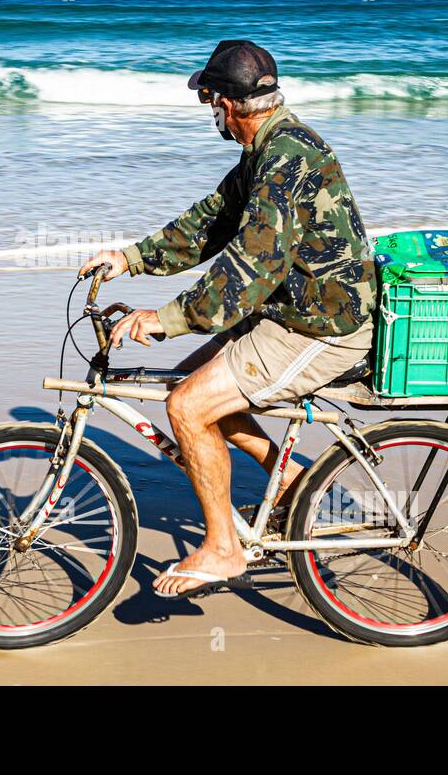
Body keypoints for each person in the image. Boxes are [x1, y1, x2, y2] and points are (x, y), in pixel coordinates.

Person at [78, 40, 377, 599]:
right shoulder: (267, 149)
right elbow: (210, 223)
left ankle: (223, 549)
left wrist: (166, 319)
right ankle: (293, 482)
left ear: (229, 103)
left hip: (325, 328)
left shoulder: (288, 158)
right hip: (294, 310)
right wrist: (131, 258)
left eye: (210, 102)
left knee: (188, 406)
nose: (210, 114)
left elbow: (250, 270)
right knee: (187, 384)